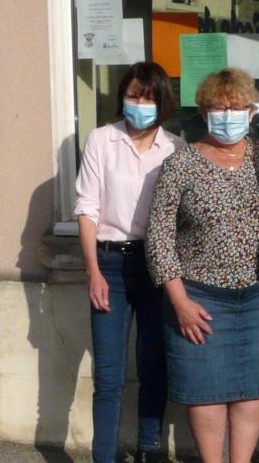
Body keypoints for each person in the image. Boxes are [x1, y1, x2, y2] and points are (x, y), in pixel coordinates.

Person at [145, 67, 259, 463]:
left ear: (251, 112)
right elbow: (158, 237)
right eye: (218, 108)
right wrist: (180, 302)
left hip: (257, 293)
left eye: (236, 107)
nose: (227, 115)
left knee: (253, 391)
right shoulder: (181, 164)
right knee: (205, 393)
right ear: (203, 113)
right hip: (198, 297)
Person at [75, 62, 183, 463]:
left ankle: (149, 449)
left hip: (156, 265)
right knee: (109, 375)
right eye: (134, 95)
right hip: (110, 265)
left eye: (149, 97)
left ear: (163, 102)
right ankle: (103, 455)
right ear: (122, 97)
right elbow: (87, 207)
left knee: (154, 366)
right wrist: (93, 272)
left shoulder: (175, 148)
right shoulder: (101, 140)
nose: (140, 103)